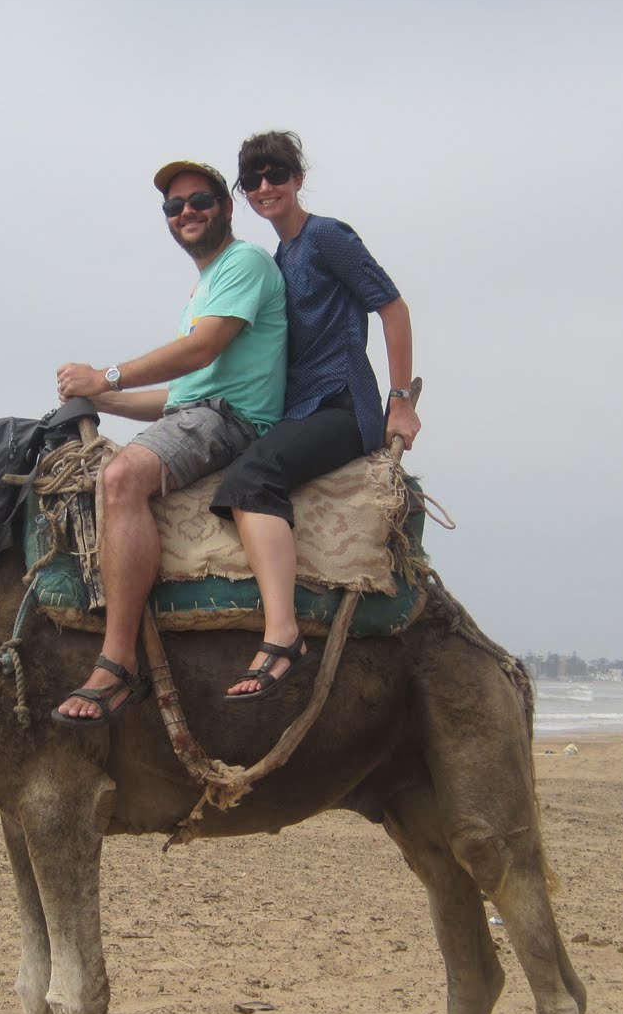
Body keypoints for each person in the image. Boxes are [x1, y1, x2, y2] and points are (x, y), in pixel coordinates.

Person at [51, 160, 288, 725]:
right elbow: (180, 397)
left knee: (121, 477)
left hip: (230, 420)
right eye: (174, 206)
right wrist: (99, 401)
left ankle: (117, 662)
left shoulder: (245, 262)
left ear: (225, 207)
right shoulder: (205, 287)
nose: (186, 212)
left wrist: (105, 377)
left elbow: (200, 352)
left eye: (199, 200)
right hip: (200, 413)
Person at [213, 130, 417, 700]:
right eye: (252, 180)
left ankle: (283, 635)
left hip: (343, 401)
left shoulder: (327, 236)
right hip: (302, 408)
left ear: (298, 178)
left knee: (251, 479)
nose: (265, 186)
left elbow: (392, 307)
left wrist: (401, 400)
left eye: (276, 174)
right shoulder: (279, 259)